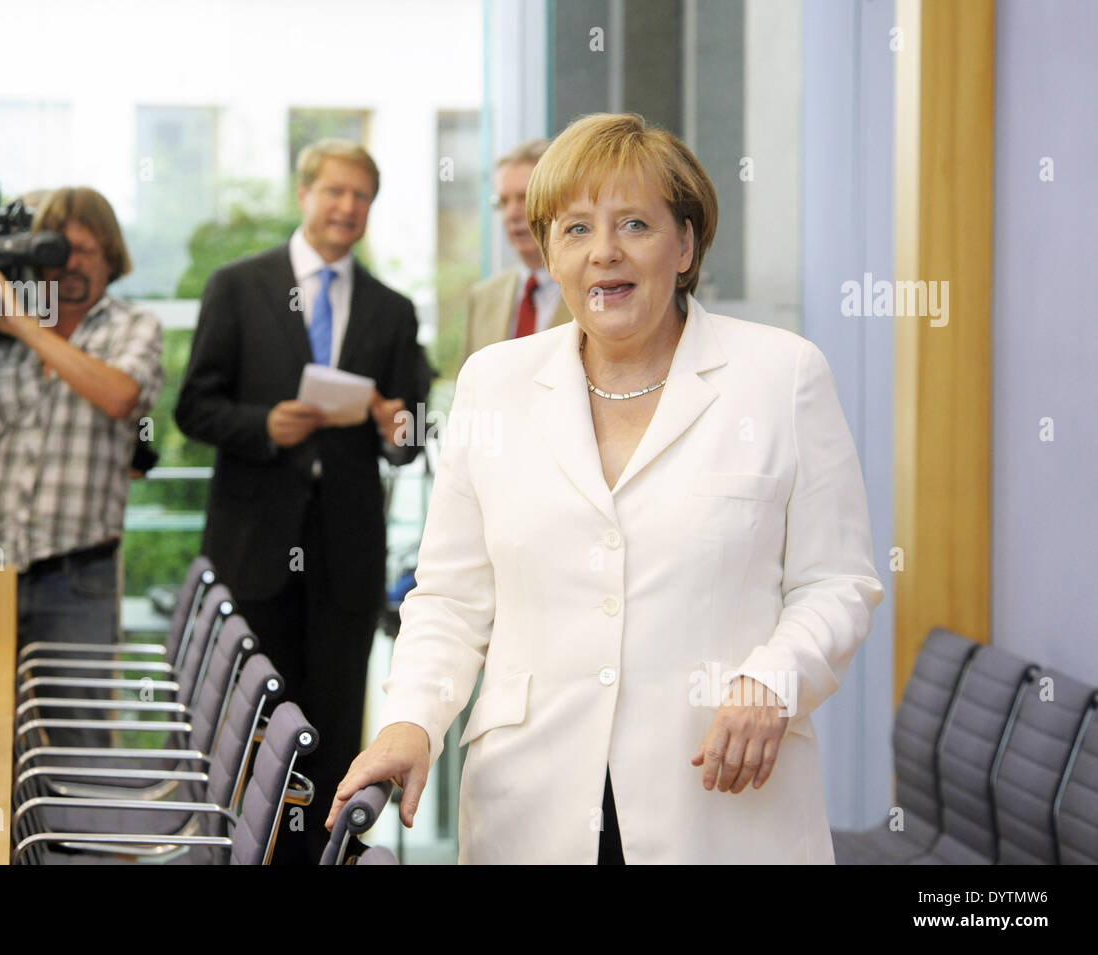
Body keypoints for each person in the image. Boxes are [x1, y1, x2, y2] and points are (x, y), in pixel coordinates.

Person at [329, 113, 884, 864]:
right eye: (576, 229)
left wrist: (774, 680)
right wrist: (410, 720)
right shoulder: (494, 383)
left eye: (634, 224)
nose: (605, 254)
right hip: (533, 801)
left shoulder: (781, 376)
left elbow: (838, 581)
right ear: (549, 253)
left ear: (685, 244)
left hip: (720, 803)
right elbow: (452, 600)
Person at [175, 139, 432, 863]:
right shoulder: (237, 285)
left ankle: (327, 857)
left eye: (361, 197)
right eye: (335, 192)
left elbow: (411, 436)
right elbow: (193, 407)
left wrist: (396, 423)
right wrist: (263, 424)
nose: (347, 207)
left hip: (345, 556)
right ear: (304, 194)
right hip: (254, 545)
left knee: (336, 726)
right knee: (252, 723)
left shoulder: (392, 308)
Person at [0, 186, 163, 745]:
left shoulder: (133, 326)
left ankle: (66, 839)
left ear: (113, 257)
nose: (70, 262)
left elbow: (118, 396)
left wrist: (21, 325)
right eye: (56, 250)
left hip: (76, 577)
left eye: (86, 250)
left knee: (74, 743)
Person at [459, 139, 572, 366]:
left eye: (525, 198)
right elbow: (467, 396)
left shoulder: (596, 294)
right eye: (503, 202)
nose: (512, 214)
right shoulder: (482, 298)